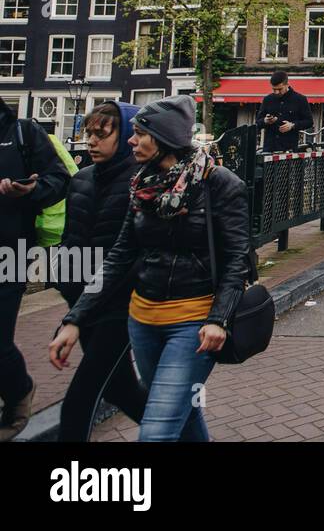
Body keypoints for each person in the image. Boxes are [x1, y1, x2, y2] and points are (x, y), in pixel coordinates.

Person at [50, 94, 251, 441]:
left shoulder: (218, 184)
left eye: (140, 134)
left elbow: (238, 258)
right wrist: (75, 319)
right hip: (143, 322)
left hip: (192, 324)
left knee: (156, 431)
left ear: (164, 138)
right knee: (181, 416)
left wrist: (218, 319)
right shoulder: (141, 185)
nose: (132, 140)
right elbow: (121, 255)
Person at [52, 102, 150, 441]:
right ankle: (184, 435)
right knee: (120, 391)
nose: (91, 142)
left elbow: (128, 255)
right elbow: (71, 241)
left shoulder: (139, 183)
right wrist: (68, 297)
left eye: (101, 134)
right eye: (88, 134)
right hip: (84, 303)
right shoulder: (80, 181)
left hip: (120, 307)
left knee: (79, 400)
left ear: (122, 135)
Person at [0, 98, 75, 441]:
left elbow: (58, 178)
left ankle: (18, 392)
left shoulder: (23, 132)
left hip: (9, 253)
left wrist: (31, 190)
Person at [255, 70, 313, 153]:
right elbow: (258, 122)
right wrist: (265, 120)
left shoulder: (300, 99)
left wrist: (292, 125)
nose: (276, 92)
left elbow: (309, 122)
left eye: (279, 89)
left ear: (287, 85)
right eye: (274, 89)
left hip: (289, 149)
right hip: (269, 149)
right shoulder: (268, 99)